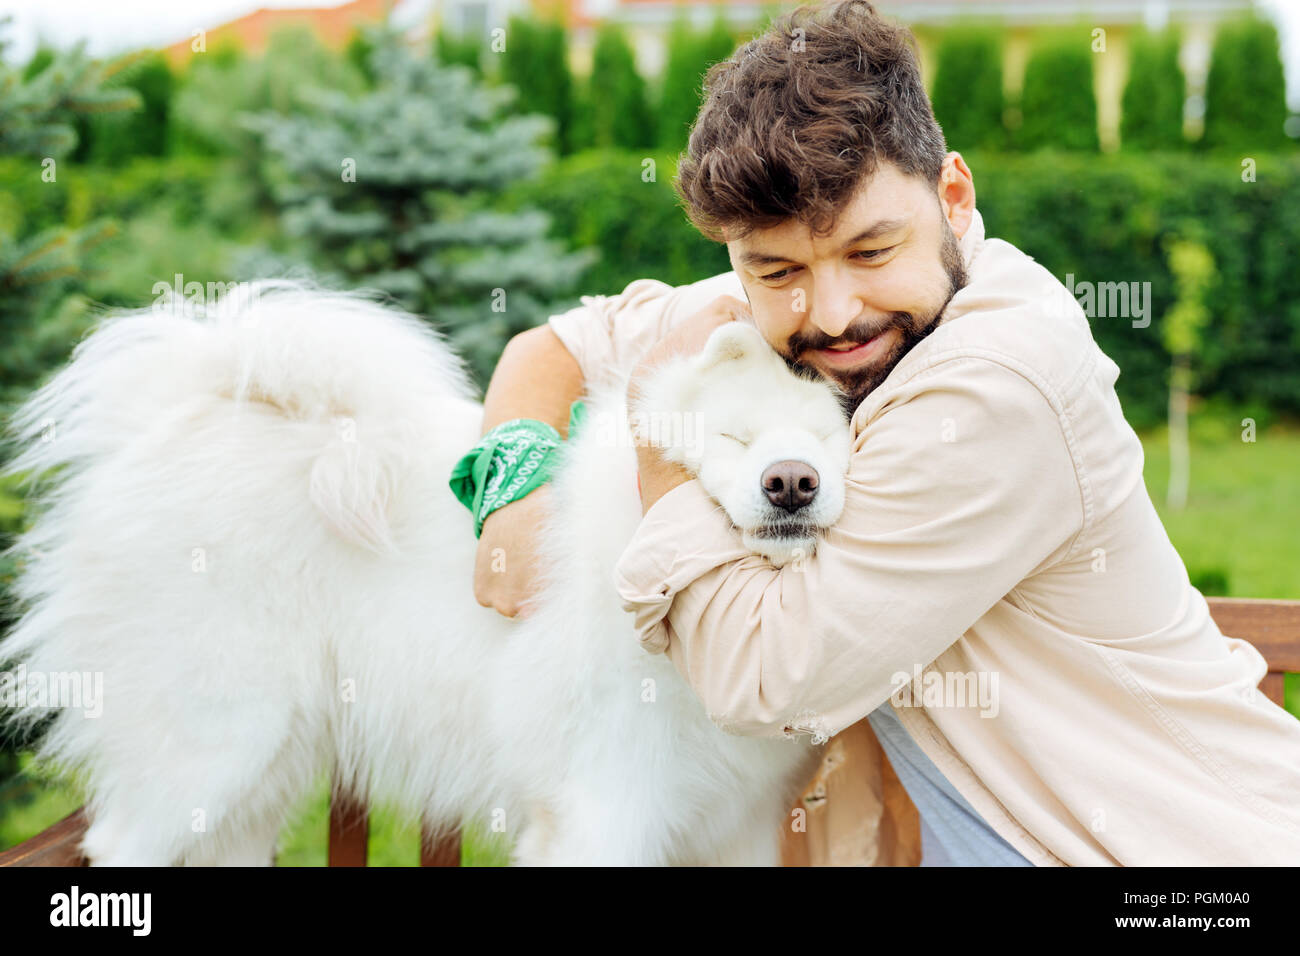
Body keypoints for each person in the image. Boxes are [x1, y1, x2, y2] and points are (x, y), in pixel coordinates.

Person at [465, 0, 1300, 865]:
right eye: (779, 269)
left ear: (952, 194)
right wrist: (513, 486)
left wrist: (660, 442)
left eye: (870, 252)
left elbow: (769, 679)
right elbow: (556, 344)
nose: (832, 314)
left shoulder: (999, 383)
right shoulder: (807, 321)